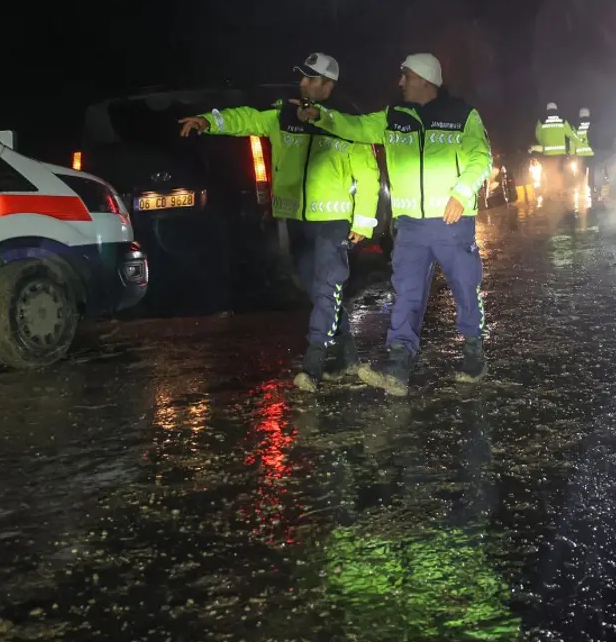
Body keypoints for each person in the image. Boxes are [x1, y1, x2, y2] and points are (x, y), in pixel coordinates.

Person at [178, 53, 381, 391]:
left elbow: (369, 175)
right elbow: (247, 118)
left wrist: (363, 221)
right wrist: (207, 121)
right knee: (319, 291)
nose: (302, 83)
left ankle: (313, 363)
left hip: (333, 220)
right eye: (302, 77)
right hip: (296, 219)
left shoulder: (348, 122)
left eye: (310, 79)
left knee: (327, 287)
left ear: (328, 85)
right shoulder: (284, 114)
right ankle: (348, 356)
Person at [297, 53, 492, 397]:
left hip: (452, 221)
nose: (400, 82)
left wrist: (461, 194)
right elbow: (356, 127)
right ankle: (398, 366)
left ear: (425, 80)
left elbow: (481, 157)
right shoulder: (393, 116)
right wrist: (322, 116)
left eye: (406, 76)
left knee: (465, 286)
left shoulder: (463, 115)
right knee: (406, 294)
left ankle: (474, 352)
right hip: (411, 226)